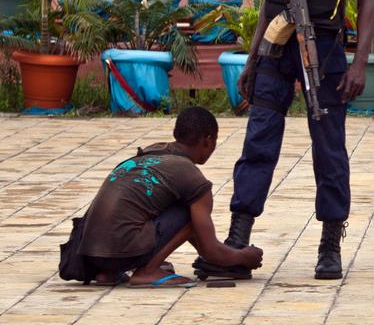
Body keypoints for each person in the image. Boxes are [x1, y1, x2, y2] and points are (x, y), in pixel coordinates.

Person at [194, 0, 374, 282]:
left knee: (329, 148)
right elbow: (271, 2)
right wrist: (253, 58)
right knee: (258, 142)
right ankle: (238, 239)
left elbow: (367, 0)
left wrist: (360, 62)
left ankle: (330, 242)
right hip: (277, 51)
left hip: (326, 50)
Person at [73, 107, 263, 288]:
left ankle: (108, 273)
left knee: (152, 205)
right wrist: (244, 257)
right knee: (191, 212)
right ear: (208, 140)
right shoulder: (191, 176)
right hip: (120, 251)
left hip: (90, 254)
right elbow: (210, 250)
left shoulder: (150, 152)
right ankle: (148, 271)